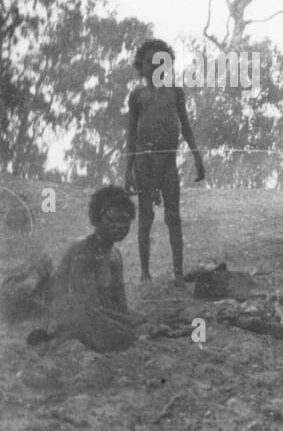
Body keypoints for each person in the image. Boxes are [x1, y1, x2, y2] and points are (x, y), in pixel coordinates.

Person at [124, 39, 205, 284]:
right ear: (142, 66)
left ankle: (178, 272)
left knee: (173, 216)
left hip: (168, 161)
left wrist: (197, 157)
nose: (156, 66)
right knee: (146, 217)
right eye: (150, 62)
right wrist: (128, 171)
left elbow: (186, 128)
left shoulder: (175, 93)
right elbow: (131, 132)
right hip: (144, 162)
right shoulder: (137, 95)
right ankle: (145, 274)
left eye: (161, 61)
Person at [30, 186, 144, 353]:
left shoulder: (115, 256)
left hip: (92, 314)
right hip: (68, 315)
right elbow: (87, 307)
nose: (119, 226)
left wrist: (140, 321)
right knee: (125, 336)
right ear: (97, 219)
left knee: (137, 328)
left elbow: (120, 307)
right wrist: (138, 323)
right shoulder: (83, 251)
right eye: (112, 219)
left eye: (124, 220)